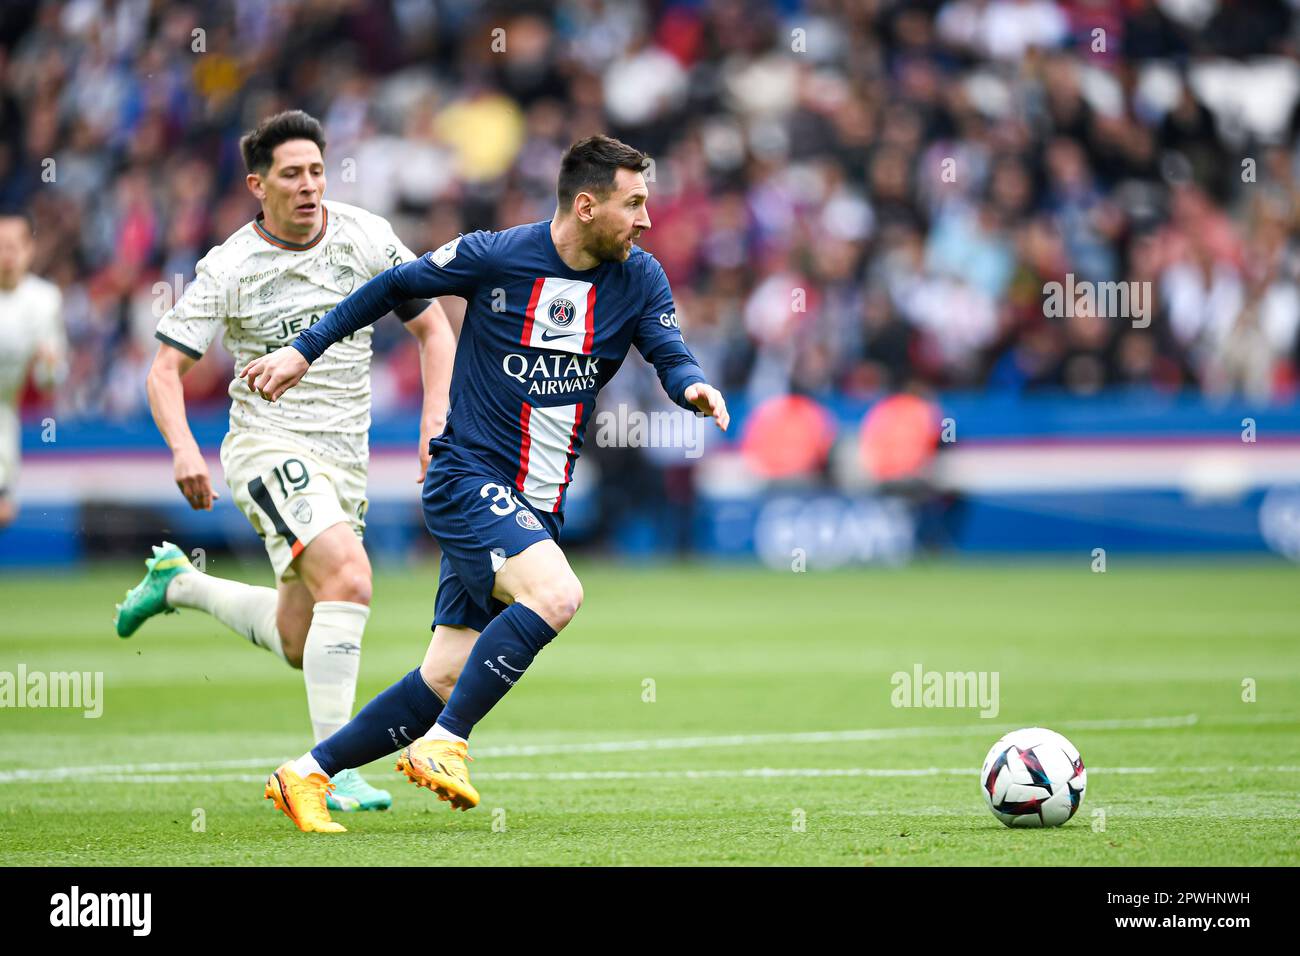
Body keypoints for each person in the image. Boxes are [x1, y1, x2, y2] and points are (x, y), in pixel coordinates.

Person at [244, 134, 729, 833]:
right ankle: (444, 743)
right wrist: (302, 350)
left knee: (442, 677)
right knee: (559, 593)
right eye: (634, 204)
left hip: (537, 505)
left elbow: (669, 353)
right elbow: (393, 286)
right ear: (586, 205)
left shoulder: (639, 277)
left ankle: (306, 774)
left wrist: (695, 389)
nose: (646, 219)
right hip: (468, 477)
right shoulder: (497, 256)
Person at [112, 110, 456, 814]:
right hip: (268, 449)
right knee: (352, 581)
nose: (309, 187)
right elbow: (163, 371)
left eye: (317, 172)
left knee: (303, 639)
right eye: (292, 174)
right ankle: (330, 769)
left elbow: (432, 328)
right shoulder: (229, 266)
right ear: (257, 185)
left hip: (344, 460)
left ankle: (179, 583)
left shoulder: (364, 236)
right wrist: (184, 449)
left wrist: (434, 415)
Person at [0, 211, 66, 528]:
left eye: (13, 246)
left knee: (4, 512)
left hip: (3, 414)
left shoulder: (44, 301)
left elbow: (50, 381)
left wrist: (49, 366)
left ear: (29, 250)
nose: (5, 254)